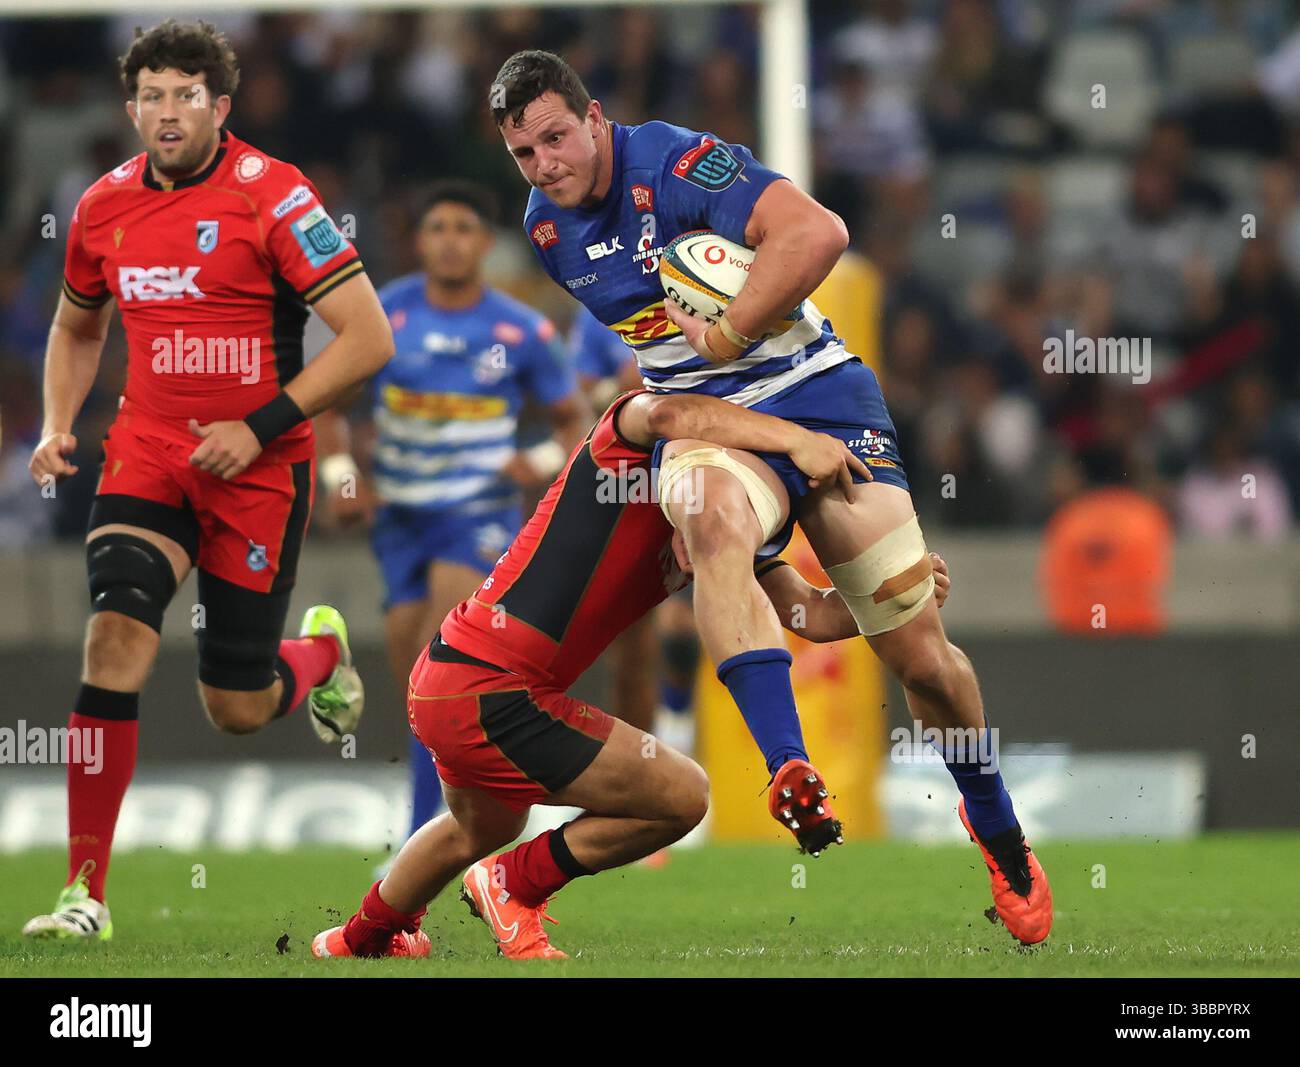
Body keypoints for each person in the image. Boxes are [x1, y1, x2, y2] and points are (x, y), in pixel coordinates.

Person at [489, 49, 1051, 943]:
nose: (546, 165)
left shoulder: (676, 161)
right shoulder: (546, 228)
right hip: (706, 420)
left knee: (922, 659)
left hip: (816, 388)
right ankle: (790, 765)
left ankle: (997, 828)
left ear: (595, 120)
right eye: (525, 154)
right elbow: (658, 364)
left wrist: (733, 325)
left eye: (557, 138)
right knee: (713, 521)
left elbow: (821, 234)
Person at [313, 389, 950, 960]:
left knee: (482, 827)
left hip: (454, 677)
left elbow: (808, 613)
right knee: (680, 796)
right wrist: (797, 438)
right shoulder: (635, 447)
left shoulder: (719, 526)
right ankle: (511, 883)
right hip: (488, 686)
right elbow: (667, 409)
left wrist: (894, 596)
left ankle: (361, 936)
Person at [22, 20, 393, 940]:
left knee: (236, 707)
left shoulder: (275, 197)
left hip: (259, 472)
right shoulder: (103, 204)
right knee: (113, 636)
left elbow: (367, 338)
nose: (165, 111)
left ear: (220, 106)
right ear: (132, 107)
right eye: (149, 95)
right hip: (148, 453)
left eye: (184, 94)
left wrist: (258, 425)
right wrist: (59, 424)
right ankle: (84, 894)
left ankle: (317, 657)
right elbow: (76, 326)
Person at [315, 181, 587, 840]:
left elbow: (574, 420)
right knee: (417, 681)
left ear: (485, 243)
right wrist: (343, 477)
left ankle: (422, 831)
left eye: (464, 228)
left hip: (477, 511)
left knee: (445, 663)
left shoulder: (521, 328)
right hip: (400, 515)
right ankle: (460, 816)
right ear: (419, 240)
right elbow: (330, 403)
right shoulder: (384, 317)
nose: (450, 240)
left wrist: (542, 463)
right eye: (436, 228)